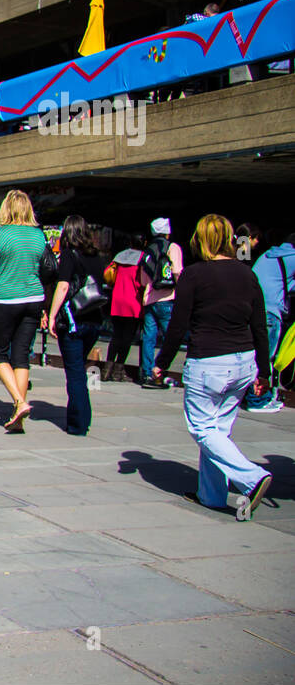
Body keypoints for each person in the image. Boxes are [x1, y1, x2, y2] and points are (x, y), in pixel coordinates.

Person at [153, 215, 273, 518]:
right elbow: (259, 326)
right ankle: (211, 496)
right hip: (243, 361)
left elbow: (178, 325)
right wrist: (265, 371)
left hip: (208, 361)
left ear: (200, 240)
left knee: (203, 428)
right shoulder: (247, 275)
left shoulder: (194, 275)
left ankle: (251, 477)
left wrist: (162, 363)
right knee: (219, 429)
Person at [0, 190, 48, 432]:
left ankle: (19, 401)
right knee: (22, 356)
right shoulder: (39, 235)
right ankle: (19, 419)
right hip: (35, 298)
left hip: (7, 300)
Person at [47, 216, 109, 435]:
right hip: (93, 320)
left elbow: (63, 286)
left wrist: (52, 315)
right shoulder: (97, 256)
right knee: (79, 369)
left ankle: (78, 423)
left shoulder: (69, 255)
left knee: (74, 374)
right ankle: (85, 416)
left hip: (73, 321)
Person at [244, 229, 295, 412]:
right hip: (271, 311)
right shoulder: (293, 258)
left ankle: (257, 396)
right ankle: (257, 400)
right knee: (266, 358)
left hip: (253, 308)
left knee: (256, 356)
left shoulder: (268, 255)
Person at [138, 217, 183, 388]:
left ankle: (147, 373)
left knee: (149, 338)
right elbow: (178, 271)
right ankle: (160, 370)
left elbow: (143, 281)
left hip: (149, 299)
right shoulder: (173, 248)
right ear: (168, 232)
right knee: (170, 337)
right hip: (168, 298)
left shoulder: (147, 251)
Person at [103, 242, 144, 382]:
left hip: (117, 300)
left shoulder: (119, 256)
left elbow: (108, 274)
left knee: (116, 336)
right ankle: (118, 371)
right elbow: (142, 282)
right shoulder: (143, 259)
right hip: (133, 302)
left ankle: (106, 369)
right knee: (127, 337)